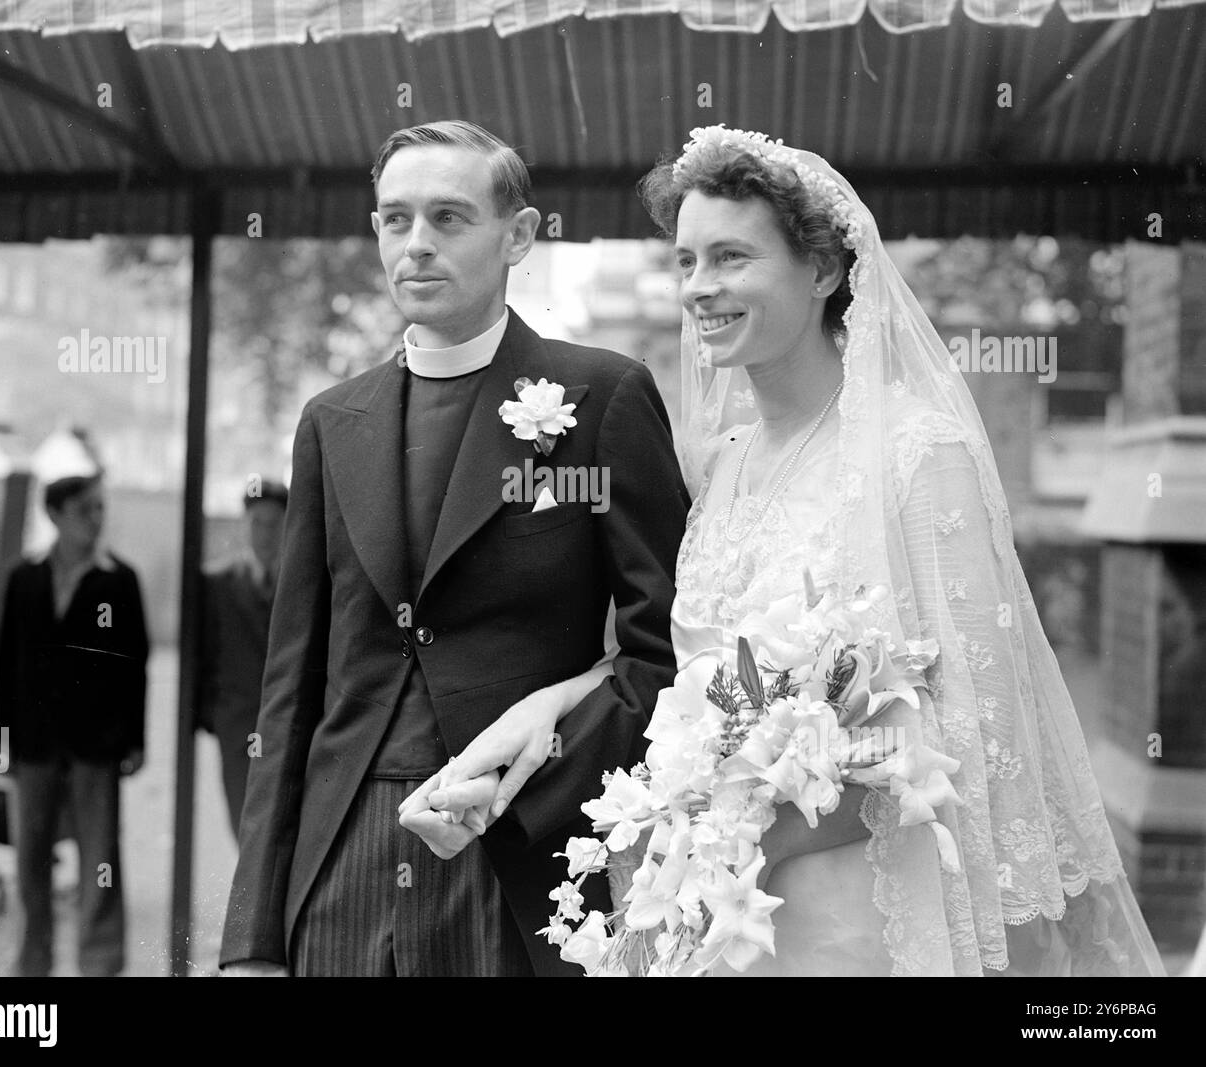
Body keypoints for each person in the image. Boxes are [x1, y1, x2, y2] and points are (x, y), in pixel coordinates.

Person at [436, 125, 1164, 976]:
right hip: (719, 912)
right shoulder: (724, 466)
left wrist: (756, 841)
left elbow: (970, 735)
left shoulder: (918, 457)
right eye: (686, 262)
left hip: (857, 917)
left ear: (822, 270)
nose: (700, 288)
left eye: (732, 258)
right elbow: (691, 680)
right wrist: (560, 707)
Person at [218, 120, 690, 977]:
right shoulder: (331, 423)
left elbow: (667, 657)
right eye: (395, 219)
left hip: (521, 860)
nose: (417, 244)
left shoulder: (604, 399)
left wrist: (534, 769)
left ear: (518, 235)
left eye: (448, 217)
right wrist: (251, 938)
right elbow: (289, 691)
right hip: (340, 862)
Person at [0, 471, 149, 977]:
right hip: (33, 746)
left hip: (95, 746)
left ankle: (100, 965)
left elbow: (133, 666)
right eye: (86, 510)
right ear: (55, 515)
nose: (96, 519)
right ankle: (32, 964)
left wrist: (134, 740)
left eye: (101, 508)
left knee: (99, 860)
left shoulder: (118, 579)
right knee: (31, 859)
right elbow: (5, 665)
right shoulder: (25, 576)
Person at [197, 479, 288, 838]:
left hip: (288, 725)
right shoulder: (216, 582)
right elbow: (206, 653)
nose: (265, 533)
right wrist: (213, 715)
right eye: (257, 522)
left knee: (281, 825)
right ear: (244, 523)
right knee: (242, 820)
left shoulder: (305, 584)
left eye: (274, 523)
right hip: (236, 725)